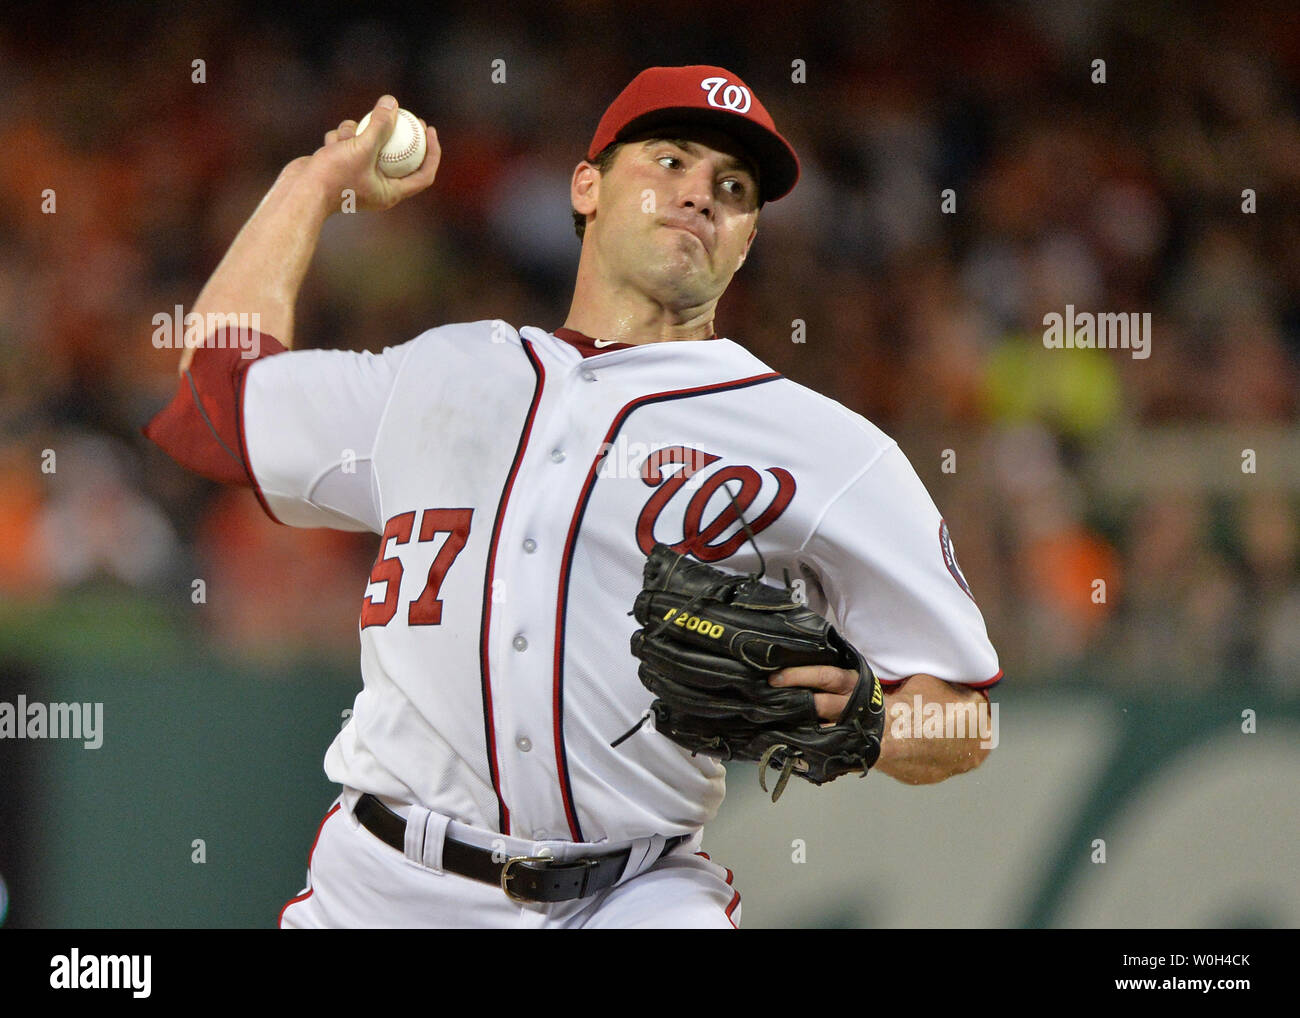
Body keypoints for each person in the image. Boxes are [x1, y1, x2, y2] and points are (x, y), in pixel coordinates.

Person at [145, 65, 1001, 929]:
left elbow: (970, 727)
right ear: (585, 186)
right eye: (670, 160)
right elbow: (212, 403)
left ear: (747, 239)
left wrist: (871, 721)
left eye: (733, 188)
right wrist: (313, 183)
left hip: (638, 894)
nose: (701, 194)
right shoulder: (442, 371)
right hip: (385, 884)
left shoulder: (824, 447)